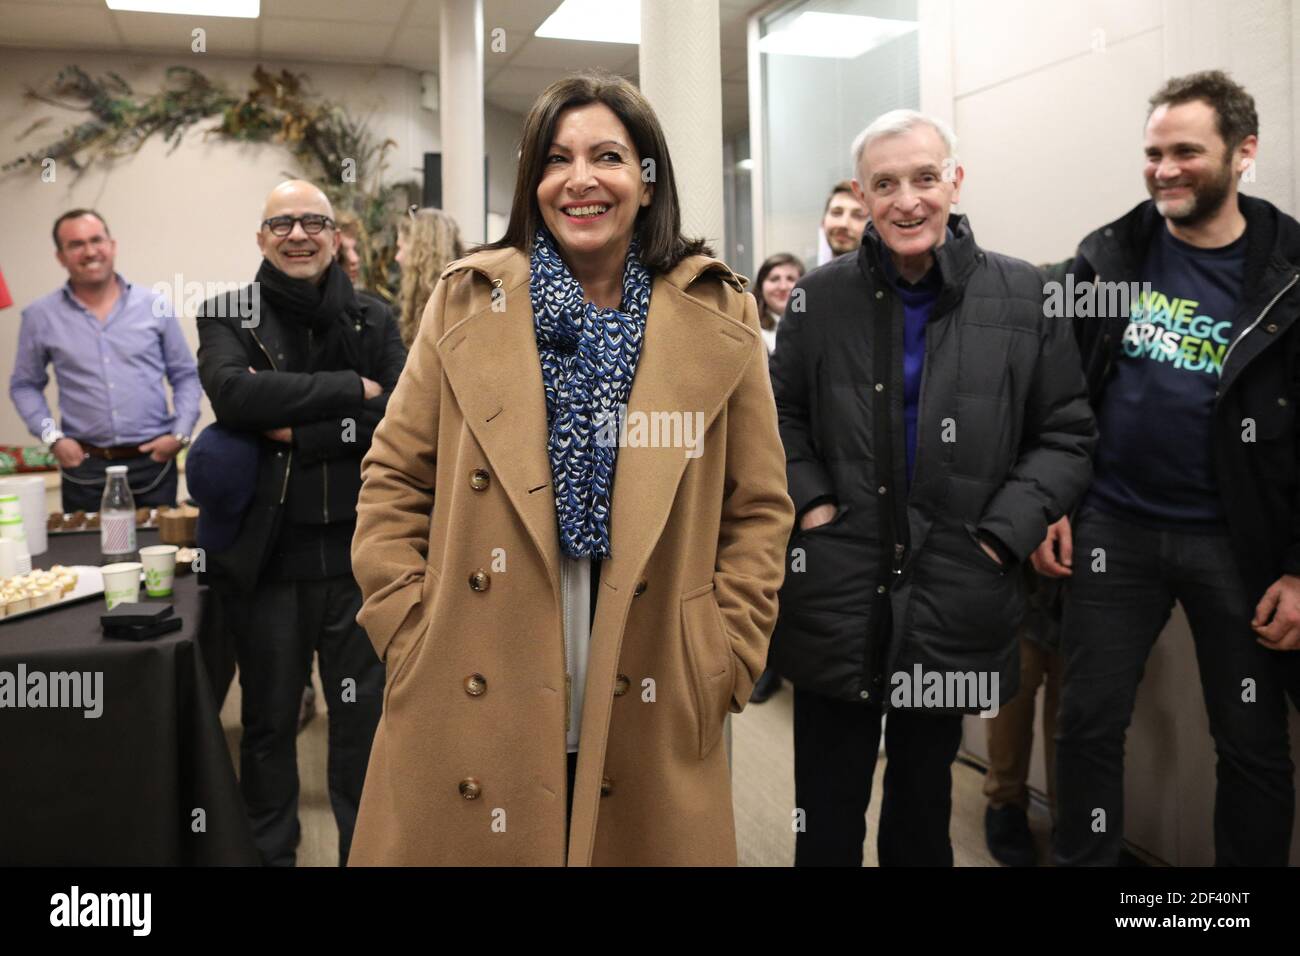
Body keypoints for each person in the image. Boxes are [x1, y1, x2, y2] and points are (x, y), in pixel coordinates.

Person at [347, 71, 793, 866]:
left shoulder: (720, 314)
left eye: (609, 157)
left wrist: (723, 653)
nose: (581, 180)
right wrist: (406, 628)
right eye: (557, 159)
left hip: (652, 669)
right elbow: (392, 480)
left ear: (647, 183)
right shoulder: (464, 302)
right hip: (474, 665)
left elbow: (758, 507)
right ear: (534, 184)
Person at [768, 109, 1096, 867]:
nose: (907, 200)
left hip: (956, 586)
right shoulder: (818, 301)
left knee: (922, 812)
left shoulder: (1024, 297)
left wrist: (997, 537)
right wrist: (814, 504)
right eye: (885, 184)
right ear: (863, 193)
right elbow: (778, 417)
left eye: (924, 177)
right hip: (837, 587)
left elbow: (1066, 433)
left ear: (955, 179)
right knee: (824, 814)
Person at [1039, 70, 1300, 867]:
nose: (1164, 169)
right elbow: (1057, 393)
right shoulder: (1107, 258)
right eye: (1153, 153)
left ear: (1242, 152)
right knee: (1085, 724)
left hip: (1241, 545)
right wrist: (1050, 498)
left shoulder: (1290, 271)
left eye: (1187, 150)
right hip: (1113, 529)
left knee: (1252, 743)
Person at [195, 179, 407, 866]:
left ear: (335, 235)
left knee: (362, 727)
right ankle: (269, 854)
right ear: (262, 239)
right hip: (269, 563)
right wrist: (351, 390)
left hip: (360, 562)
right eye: (281, 223)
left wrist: (294, 430)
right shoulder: (228, 313)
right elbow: (233, 396)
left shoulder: (373, 319)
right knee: (268, 727)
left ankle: (364, 854)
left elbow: (401, 420)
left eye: (313, 221)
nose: (297, 234)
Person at [11, 209, 200, 511]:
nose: (89, 251)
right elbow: (24, 385)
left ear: (112, 245)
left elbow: (185, 375)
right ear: (60, 256)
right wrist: (53, 438)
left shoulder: (154, 305)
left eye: (96, 240)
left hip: (153, 463)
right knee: (87, 557)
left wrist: (180, 433)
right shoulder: (39, 316)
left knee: (158, 556)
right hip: (84, 467)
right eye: (75, 244)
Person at [394, 207, 465, 349]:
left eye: (400, 248)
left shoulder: (451, 314)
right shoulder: (417, 307)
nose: (397, 257)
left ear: (421, 255)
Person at [751, 252, 805, 356]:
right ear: (761, 287)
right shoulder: (750, 328)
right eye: (774, 279)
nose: (783, 287)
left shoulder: (815, 328)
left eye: (791, 279)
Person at [820, 179, 869, 261]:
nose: (844, 224)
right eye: (836, 213)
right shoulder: (810, 273)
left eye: (857, 216)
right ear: (823, 221)